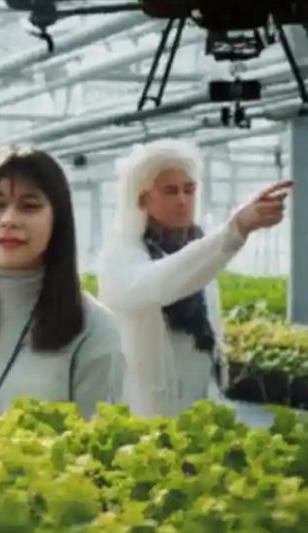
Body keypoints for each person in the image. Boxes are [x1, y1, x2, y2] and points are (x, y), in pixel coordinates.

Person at [0, 144, 125, 421]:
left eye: (29, 206)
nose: (9, 220)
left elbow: (95, 448)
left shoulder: (93, 329)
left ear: (58, 220)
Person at [97, 139, 290, 417]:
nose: (182, 200)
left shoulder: (197, 249)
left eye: (189, 189)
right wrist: (236, 229)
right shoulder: (121, 257)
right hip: (144, 412)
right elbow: (161, 282)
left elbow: (208, 320)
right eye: (170, 191)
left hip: (200, 405)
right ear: (142, 198)